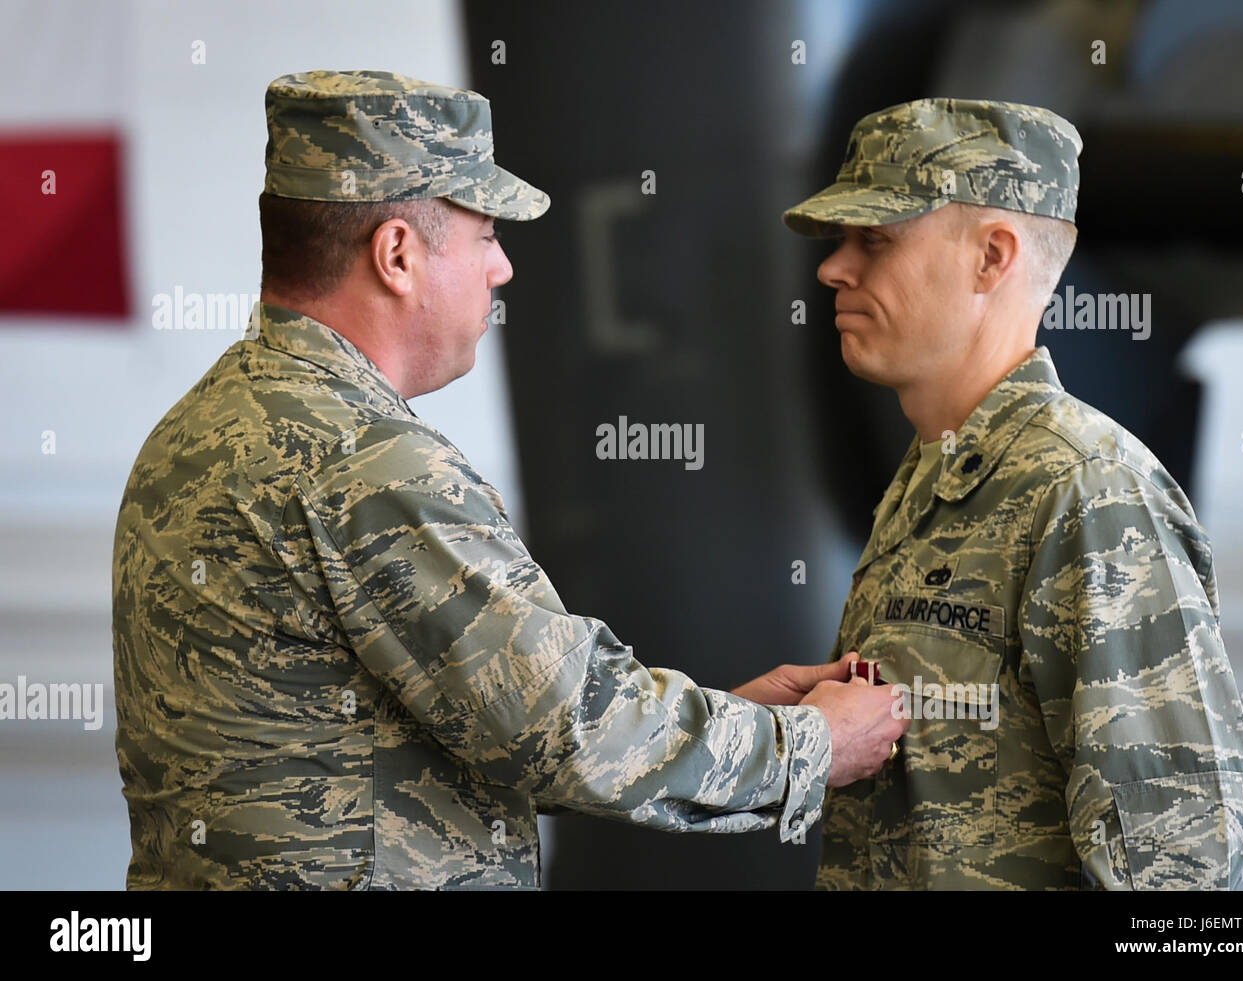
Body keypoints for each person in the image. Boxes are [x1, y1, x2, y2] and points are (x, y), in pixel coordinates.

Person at [111, 69, 908, 890]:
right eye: (486, 233)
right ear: (397, 254)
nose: (503, 270)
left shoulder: (200, 428)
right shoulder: (363, 458)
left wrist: (745, 721)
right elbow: (565, 726)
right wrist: (810, 745)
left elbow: (456, 727)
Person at [782, 97, 1243, 889]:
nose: (835, 267)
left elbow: (1185, 871)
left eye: (875, 239)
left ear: (992, 257)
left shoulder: (1087, 490)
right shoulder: (934, 475)